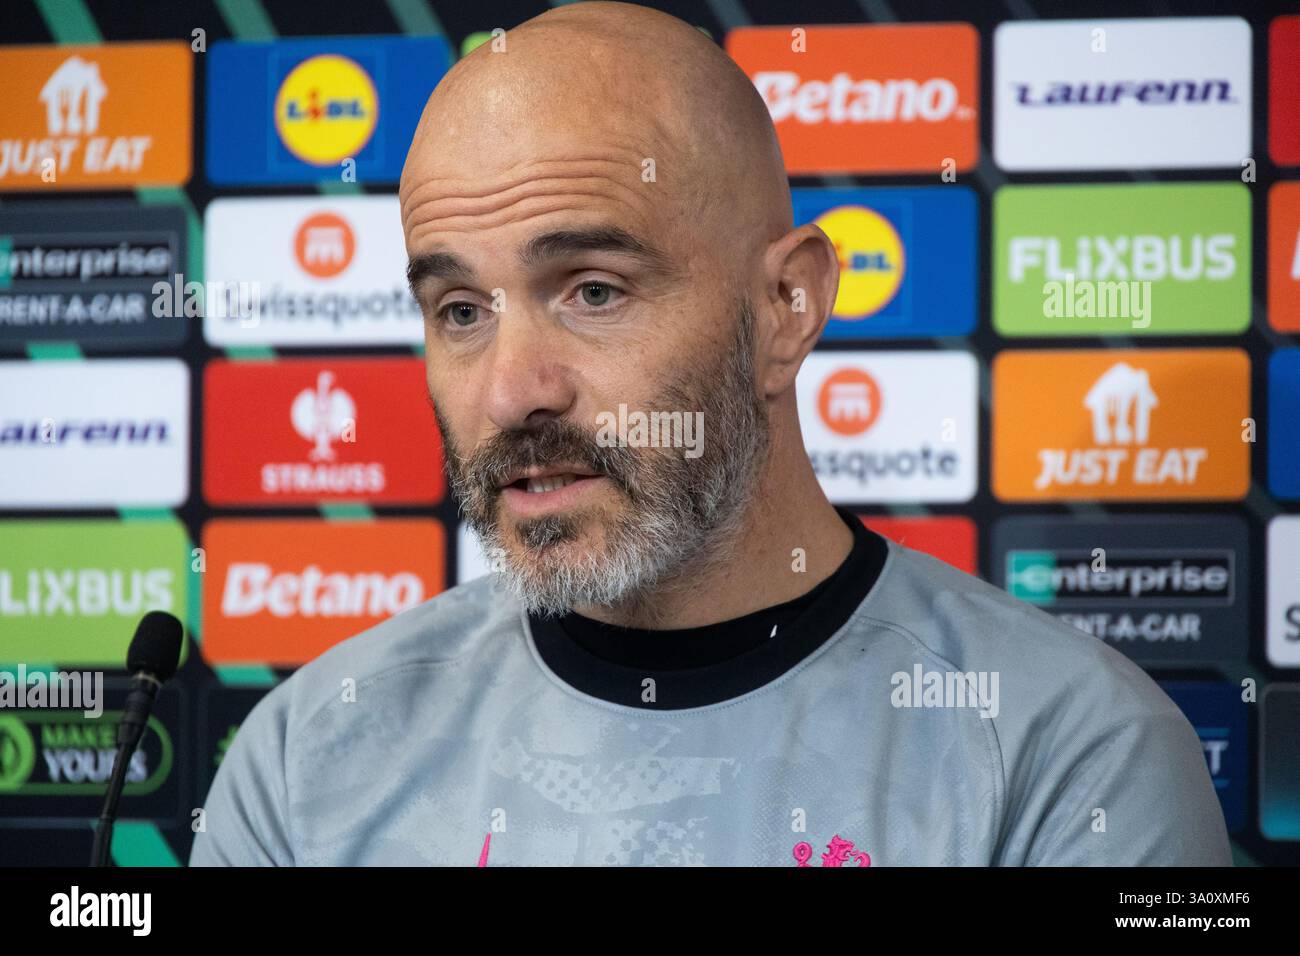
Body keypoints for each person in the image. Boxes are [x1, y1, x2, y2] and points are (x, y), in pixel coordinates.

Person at [191, 1, 1231, 866]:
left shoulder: (1077, 752)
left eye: (593, 289)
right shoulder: (303, 755)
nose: (512, 390)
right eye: (460, 309)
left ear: (786, 305)